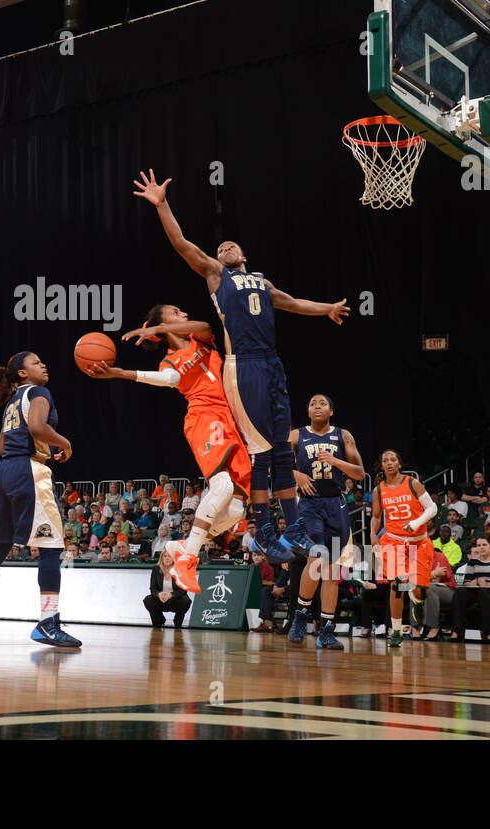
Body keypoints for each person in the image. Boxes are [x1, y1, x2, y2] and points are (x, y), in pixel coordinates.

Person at [133, 168, 347, 561]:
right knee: (261, 450)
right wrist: (162, 205)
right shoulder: (217, 276)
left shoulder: (263, 284)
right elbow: (182, 245)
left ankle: (292, 524)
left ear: (244, 256)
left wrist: (328, 308)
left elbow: (297, 303)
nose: (225, 248)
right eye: (221, 248)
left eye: (231, 246)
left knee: (282, 447)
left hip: (271, 364)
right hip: (242, 364)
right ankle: (263, 528)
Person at [90, 304, 252, 593]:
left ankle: (180, 546)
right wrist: (120, 373)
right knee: (223, 487)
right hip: (204, 416)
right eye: (175, 312)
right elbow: (170, 380)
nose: (184, 314)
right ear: (157, 323)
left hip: (231, 418)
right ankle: (188, 559)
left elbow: (204, 326)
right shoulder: (169, 361)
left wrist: (162, 328)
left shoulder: (198, 339)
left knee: (237, 510)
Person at [0, 352, 79, 646]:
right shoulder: (38, 391)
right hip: (28, 471)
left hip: (3, 471)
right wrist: (65, 443)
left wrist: (39, 448)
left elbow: (3, 443)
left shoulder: (11, 400)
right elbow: (37, 428)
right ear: (22, 373)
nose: (43, 364)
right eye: (36, 362)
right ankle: (48, 623)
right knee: (50, 546)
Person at [285, 394, 365, 650]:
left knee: (331, 569)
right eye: (312, 404)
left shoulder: (344, 436)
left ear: (331, 410)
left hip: (336, 504)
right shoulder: (296, 435)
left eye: (322, 404)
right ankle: (301, 615)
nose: (317, 406)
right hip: (309, 504)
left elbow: (360, 473)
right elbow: (275, 465)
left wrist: (335, 461)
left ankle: (326, 631)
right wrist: (295, 473)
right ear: (308, 412)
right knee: (316, 557)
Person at [369, 449, 438, 647]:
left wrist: (416, 523)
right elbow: (376, 516)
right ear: (381, 466)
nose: (389, 463)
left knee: (420, 591)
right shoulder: (379, 490)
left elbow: (432, 508)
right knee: (396, 586)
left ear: (400, 464)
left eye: (393, 459)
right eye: (385, 460)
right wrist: (374, 535)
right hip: (394, 542)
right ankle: (396, 631)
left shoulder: (412, 483)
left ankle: (418, 602)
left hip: (420, 542)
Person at [144, 547, 191, 628]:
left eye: (169, 556)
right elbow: (153, 589)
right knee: (148, 600)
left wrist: (171, 595)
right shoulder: (156, 569)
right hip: (161, 599)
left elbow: (183, 590)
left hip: (174, 600)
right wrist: (159, 594)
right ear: (161, 558)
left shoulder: (180, 569)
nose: (167, 558)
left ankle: (177, 621)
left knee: (185, 601)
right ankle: (159, 620)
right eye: (165, 556)